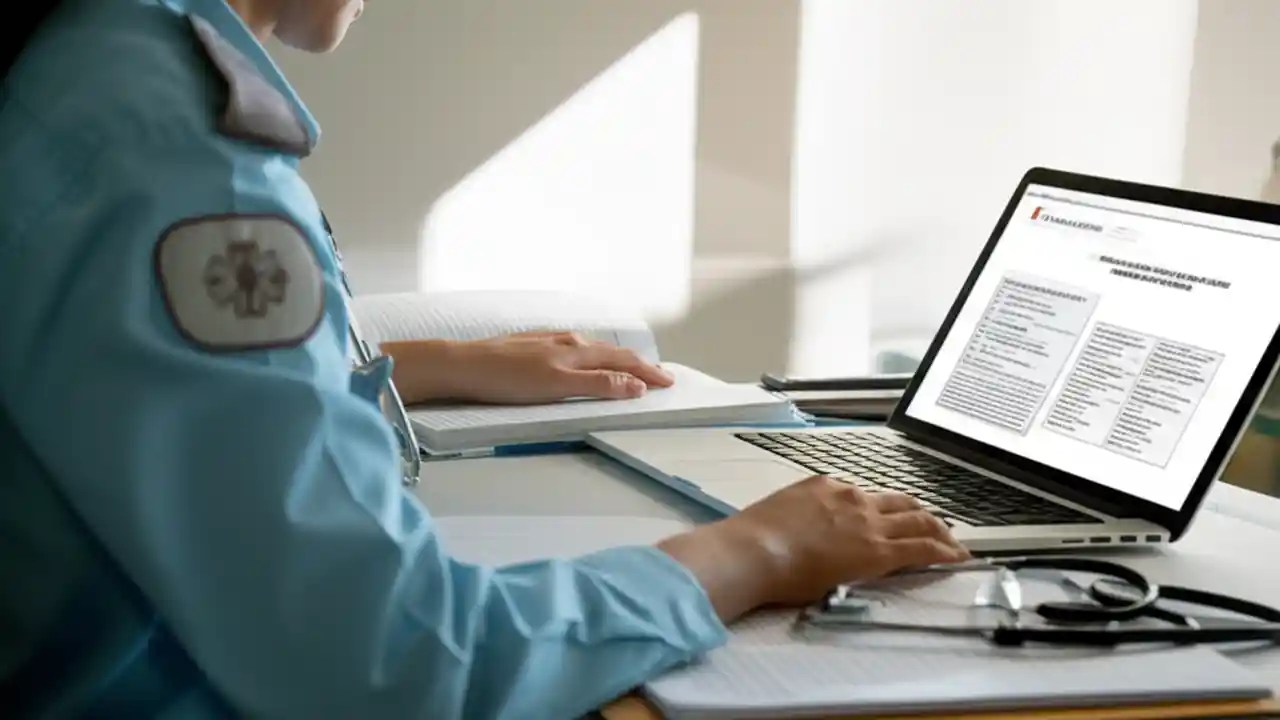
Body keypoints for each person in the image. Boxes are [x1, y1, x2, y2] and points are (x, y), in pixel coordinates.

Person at [0, 0, 969, 717]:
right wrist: (756, 551)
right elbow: (398, 665)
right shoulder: (183, 154)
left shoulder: (93, 63)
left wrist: (423, 363)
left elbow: (120, 377)